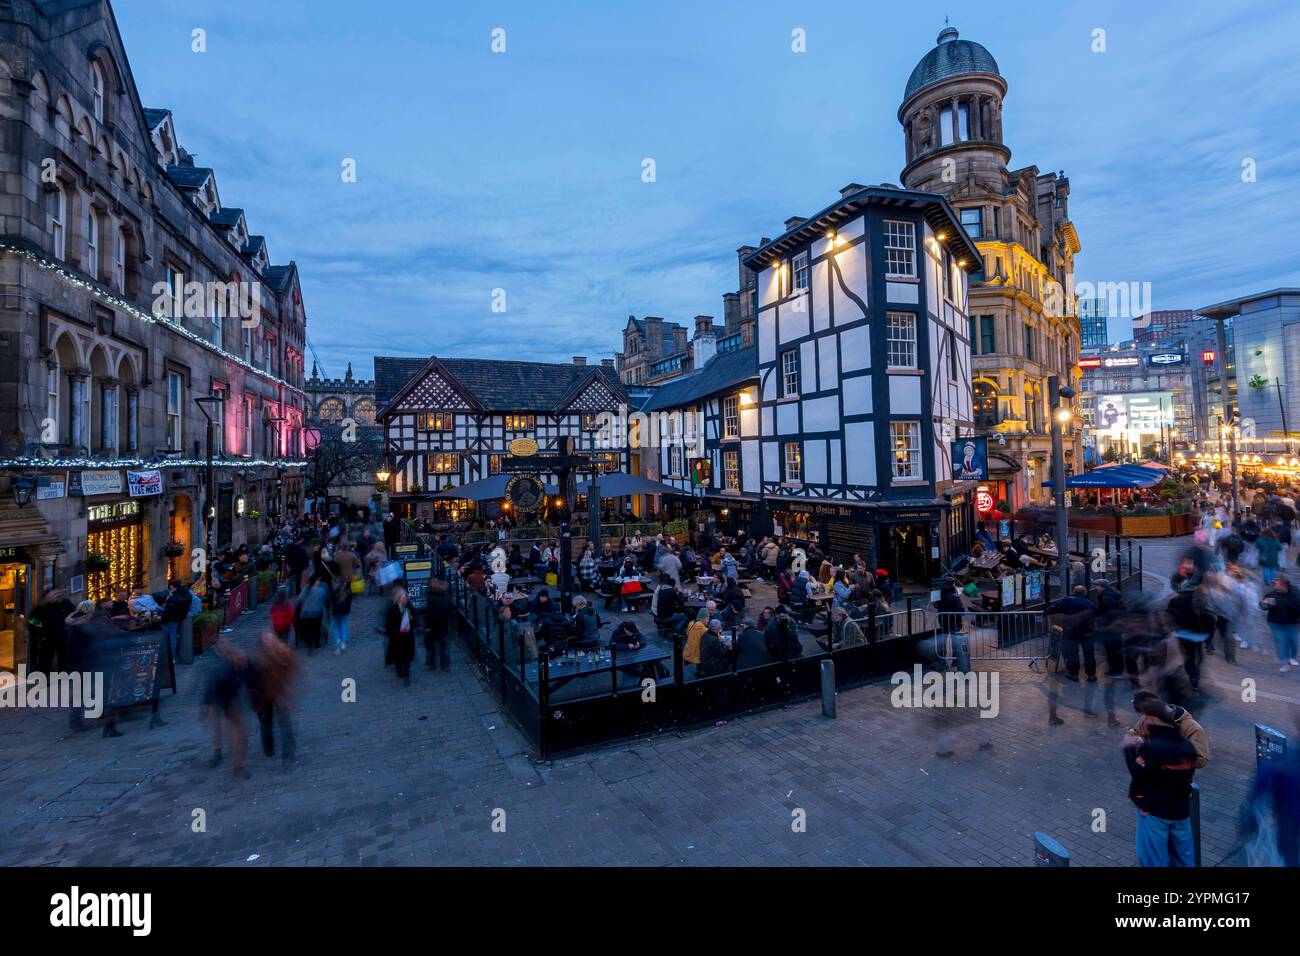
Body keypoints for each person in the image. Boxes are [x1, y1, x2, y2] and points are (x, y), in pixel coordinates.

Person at [1123, 691, 1202, 867]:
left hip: (1155, 814)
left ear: (1153, 719)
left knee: (1153, 861)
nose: (1142, 721)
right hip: (1181, 812)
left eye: (1144, 716)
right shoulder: (1186, 745)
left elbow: (1137, 771)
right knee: (1183, 860)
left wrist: (1129, 749)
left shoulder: (1154, 748)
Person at [247, 630, 298, 768]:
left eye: (271, 640)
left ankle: (288, 751)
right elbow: (251, 682)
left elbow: (292, 672)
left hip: (280, 694)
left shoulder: (284, 653)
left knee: (285, 723)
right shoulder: (257, 658)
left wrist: (288, 693)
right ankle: (268, 746)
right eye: (266, 641)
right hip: (263, 696)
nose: (269, 643)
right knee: (266, 724)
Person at [203, 636, 250, 779]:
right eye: (222, 643)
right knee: (216, 726)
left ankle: (238, 766)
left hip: (230, 695)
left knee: (236, 729)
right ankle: (217, 751)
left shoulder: (235, 655)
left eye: (227, 642)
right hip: (213, 696)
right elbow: (207, 685)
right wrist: (206, 705)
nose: (226, 645)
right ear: (215, 647)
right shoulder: (210, 663)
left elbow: (245, 675)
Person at [29, 588, 74, 674]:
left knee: (64, 658)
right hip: (48, 639)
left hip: (62, 637)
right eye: (50, 596)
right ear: (46, 597)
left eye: (55, 595)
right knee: (45, 660)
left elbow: (73, 614)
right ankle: (43, 677)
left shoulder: (65, 604)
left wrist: (70, 624)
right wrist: (43, 630)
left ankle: (64, 675)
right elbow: (32, 621)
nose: (53, 597)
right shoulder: (41, 608)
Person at [1261, 575, 1300, 673]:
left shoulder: (1295, 593)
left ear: (1284, 586)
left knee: (1294, 641)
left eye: (1276, 584)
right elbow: (1263, 606)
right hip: (1276, 623)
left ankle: (1292, 657)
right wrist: (1263, 604)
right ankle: (1285, 663)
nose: (1274, 586)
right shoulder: (1272, 595)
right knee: (1281, 642)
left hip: (1292, 623)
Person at [385, 586, 417, 686]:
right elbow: (389, 624)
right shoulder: (393, 609)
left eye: (406, 597)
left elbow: (414, 618)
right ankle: (399, 670)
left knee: (407, 657)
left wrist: (411, 618)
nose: (406, 599)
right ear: (398, 598)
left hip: (407, 637)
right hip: (397, 638)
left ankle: (407, 677)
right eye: (403, 598)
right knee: (399, 657)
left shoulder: (409, 606)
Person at [293, 574, 330, 652]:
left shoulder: (306, 589)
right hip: (317, 613)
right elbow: (326, 600)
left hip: (305, 613)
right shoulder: (321, 590)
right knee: (317, 628)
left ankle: (309, 643)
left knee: (307, 628)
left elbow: (299, 600)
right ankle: (316, 643)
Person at [424, 578, 452, 671]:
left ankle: (439, 664)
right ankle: (441, 665)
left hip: (440, 624)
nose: (437, 583)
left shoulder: (437, 594)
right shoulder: (435, 596)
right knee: (439, 645)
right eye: (435, 582)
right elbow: (429, 612)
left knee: (440, 645)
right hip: (437, 624)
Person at [331, 566, 354, 655]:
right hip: (345, 611)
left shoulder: (333, 592)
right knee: (344, 625)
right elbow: (350, 602)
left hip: (336, 611)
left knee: (336, 627)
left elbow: (331, 602)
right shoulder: (348, 592)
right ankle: (343, 642)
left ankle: (337, 642)